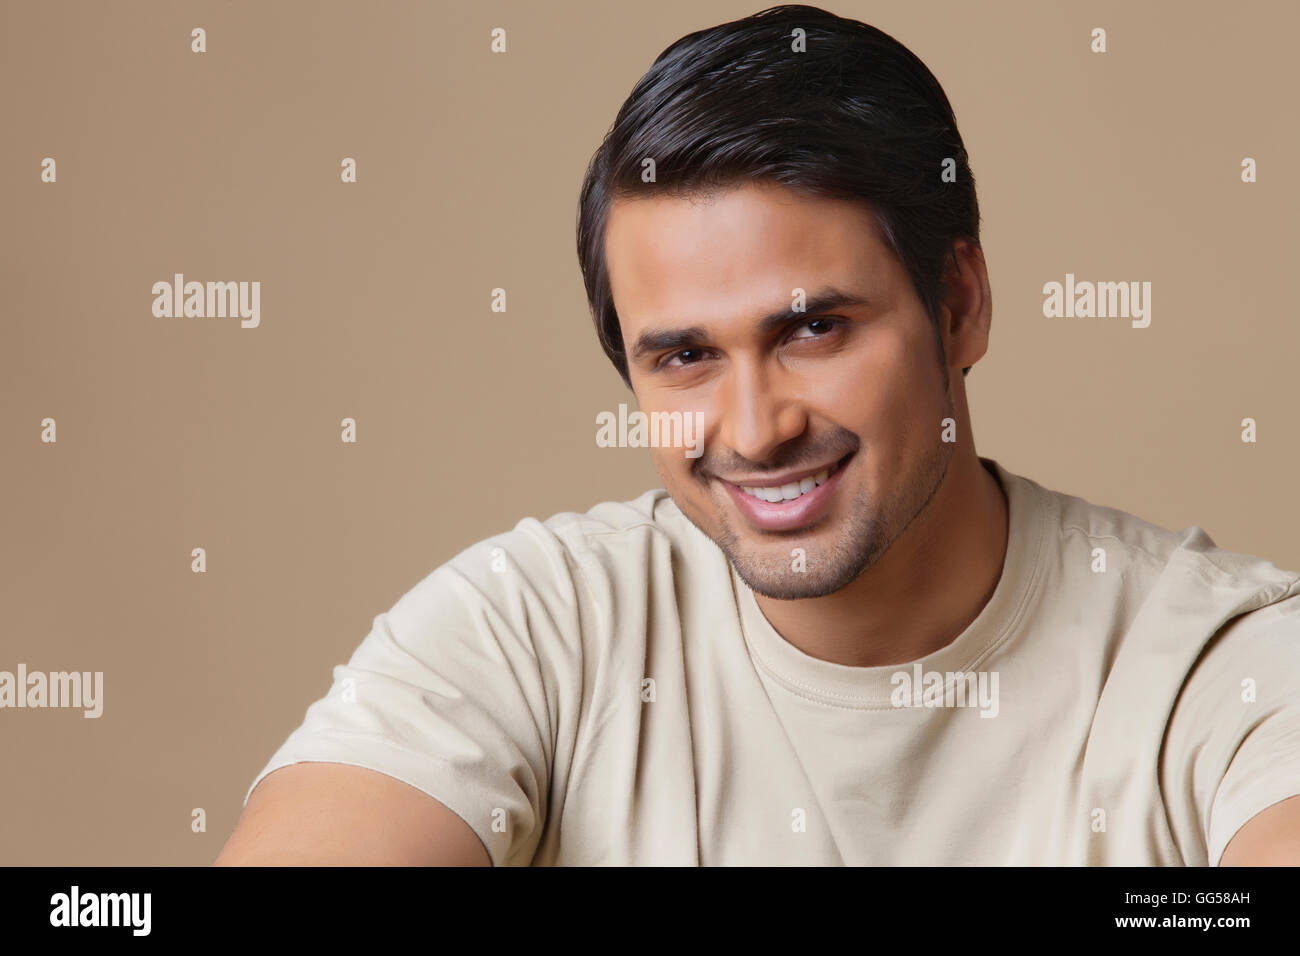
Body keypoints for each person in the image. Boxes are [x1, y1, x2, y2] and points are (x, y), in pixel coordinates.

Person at [216, 4, 1300, 866]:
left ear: (959, 304)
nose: (754, 427)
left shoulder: (1217, 663)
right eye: (684, 355)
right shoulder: (533, 627)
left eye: (813, 328)